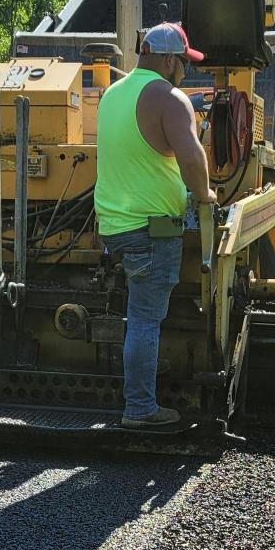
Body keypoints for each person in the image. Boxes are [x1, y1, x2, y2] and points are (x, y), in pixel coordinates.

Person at [95, 22, 216, 431]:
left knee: (137, 316)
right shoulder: (169, 98)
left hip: (114, 226)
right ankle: (141, 408)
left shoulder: (112, 94)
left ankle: (137, 399)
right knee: (145, 320)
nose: (185, 69)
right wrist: (206, 197)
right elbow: (192, 159)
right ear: (167, 59)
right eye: (183, 61)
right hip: (152, 229)